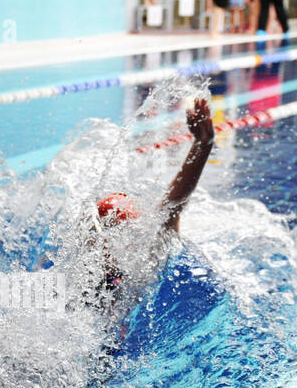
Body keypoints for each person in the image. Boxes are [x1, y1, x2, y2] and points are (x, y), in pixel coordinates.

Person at [85, 99, 214, 312]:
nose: (104, 247)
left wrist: (202, 145)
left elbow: (174, 203)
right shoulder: (80, 274)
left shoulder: (142, 264)